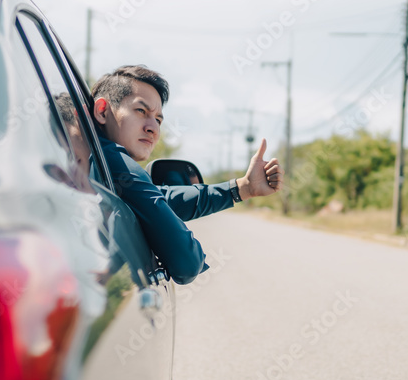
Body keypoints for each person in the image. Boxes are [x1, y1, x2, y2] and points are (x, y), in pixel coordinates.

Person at [91, 65, 282, 284]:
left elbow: (160, 199)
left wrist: (243, 188)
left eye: (159, 120)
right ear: (102, 111)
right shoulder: (115, 161)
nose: (153, 128)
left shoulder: (98, 164)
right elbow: (186, 263)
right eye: (141, 111)